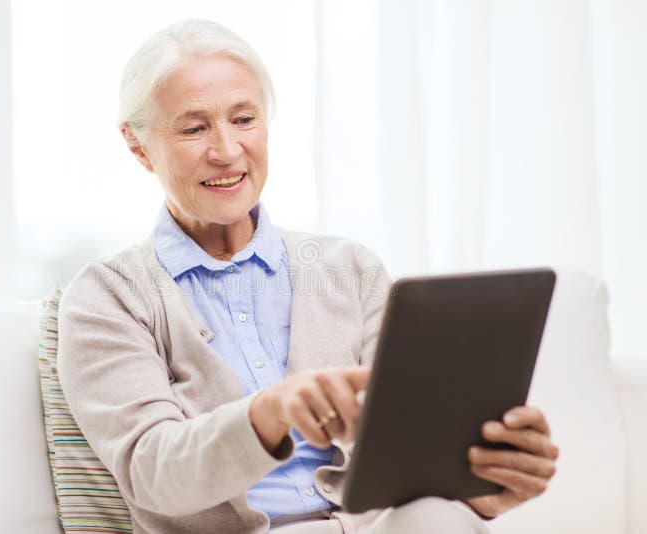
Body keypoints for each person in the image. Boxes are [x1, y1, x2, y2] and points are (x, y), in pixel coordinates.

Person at [56, 19, 559, 533]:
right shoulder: (109, 295)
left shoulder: (351, 269)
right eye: (194, 128)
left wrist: (487, 484)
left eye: (244, 119)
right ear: (139, 147)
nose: (228, 150)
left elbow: (410, 446)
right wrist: (268, 412)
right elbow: (152, 471)